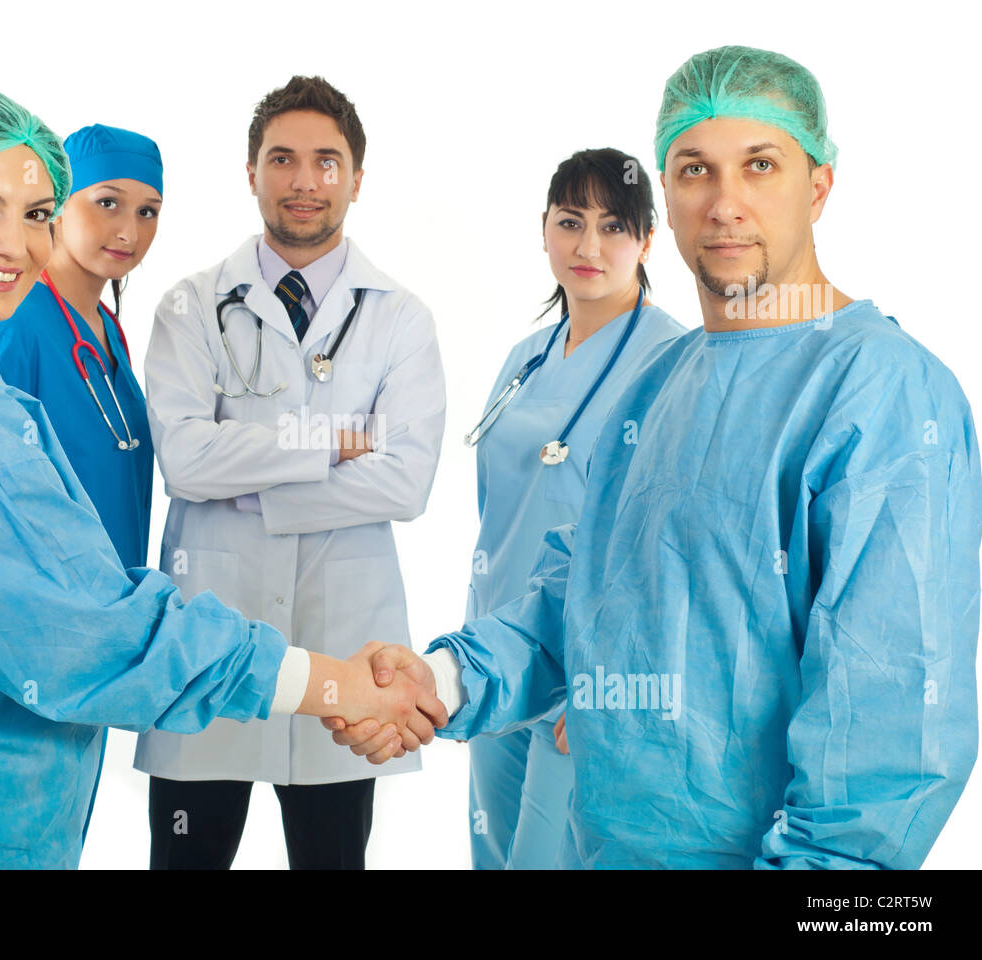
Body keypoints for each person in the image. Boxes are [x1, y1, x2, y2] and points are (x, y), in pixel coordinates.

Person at [328, 45, 981, 869]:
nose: (725, 204)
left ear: (818, 186)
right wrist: (444, 680)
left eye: (761, 166)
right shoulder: (654, 387)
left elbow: (887, 732)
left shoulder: (886, 394)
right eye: (696, 170)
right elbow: (581, 596)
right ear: (667, 199)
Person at [0, 85, 444, 869]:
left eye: (35, 214)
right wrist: (342, 686)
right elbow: (92, 632)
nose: (17, 246)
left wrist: (245, 470)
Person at [135, 75, 446, 869]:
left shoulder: (402, 318)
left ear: (357, 177)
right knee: (184, 860)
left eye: (326, 161)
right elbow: (182, 459)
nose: (304, 182)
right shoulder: (190, 306)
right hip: (211, 638)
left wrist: (244, 479)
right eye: (282, 159)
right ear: (251, 172)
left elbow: (405, 484)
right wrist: (333, 440)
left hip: (347, 646)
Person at [464, 149, 685, 870]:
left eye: (614, 227)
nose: (588, 247)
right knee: (492, 853)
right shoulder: (527, 357)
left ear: (647, 241)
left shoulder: (674, 363)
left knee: (543, 859)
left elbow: (670, 548)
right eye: (570, 222)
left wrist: (601, 681)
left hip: (584, 675)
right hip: (496, 649)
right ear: (545, 230)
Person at [0, 124, 161, 569]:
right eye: (108, 203)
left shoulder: (108, 331)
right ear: (57, 207)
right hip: (50, 613)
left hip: (120, 604)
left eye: (148, 212)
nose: (129, 232)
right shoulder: (15, 323)